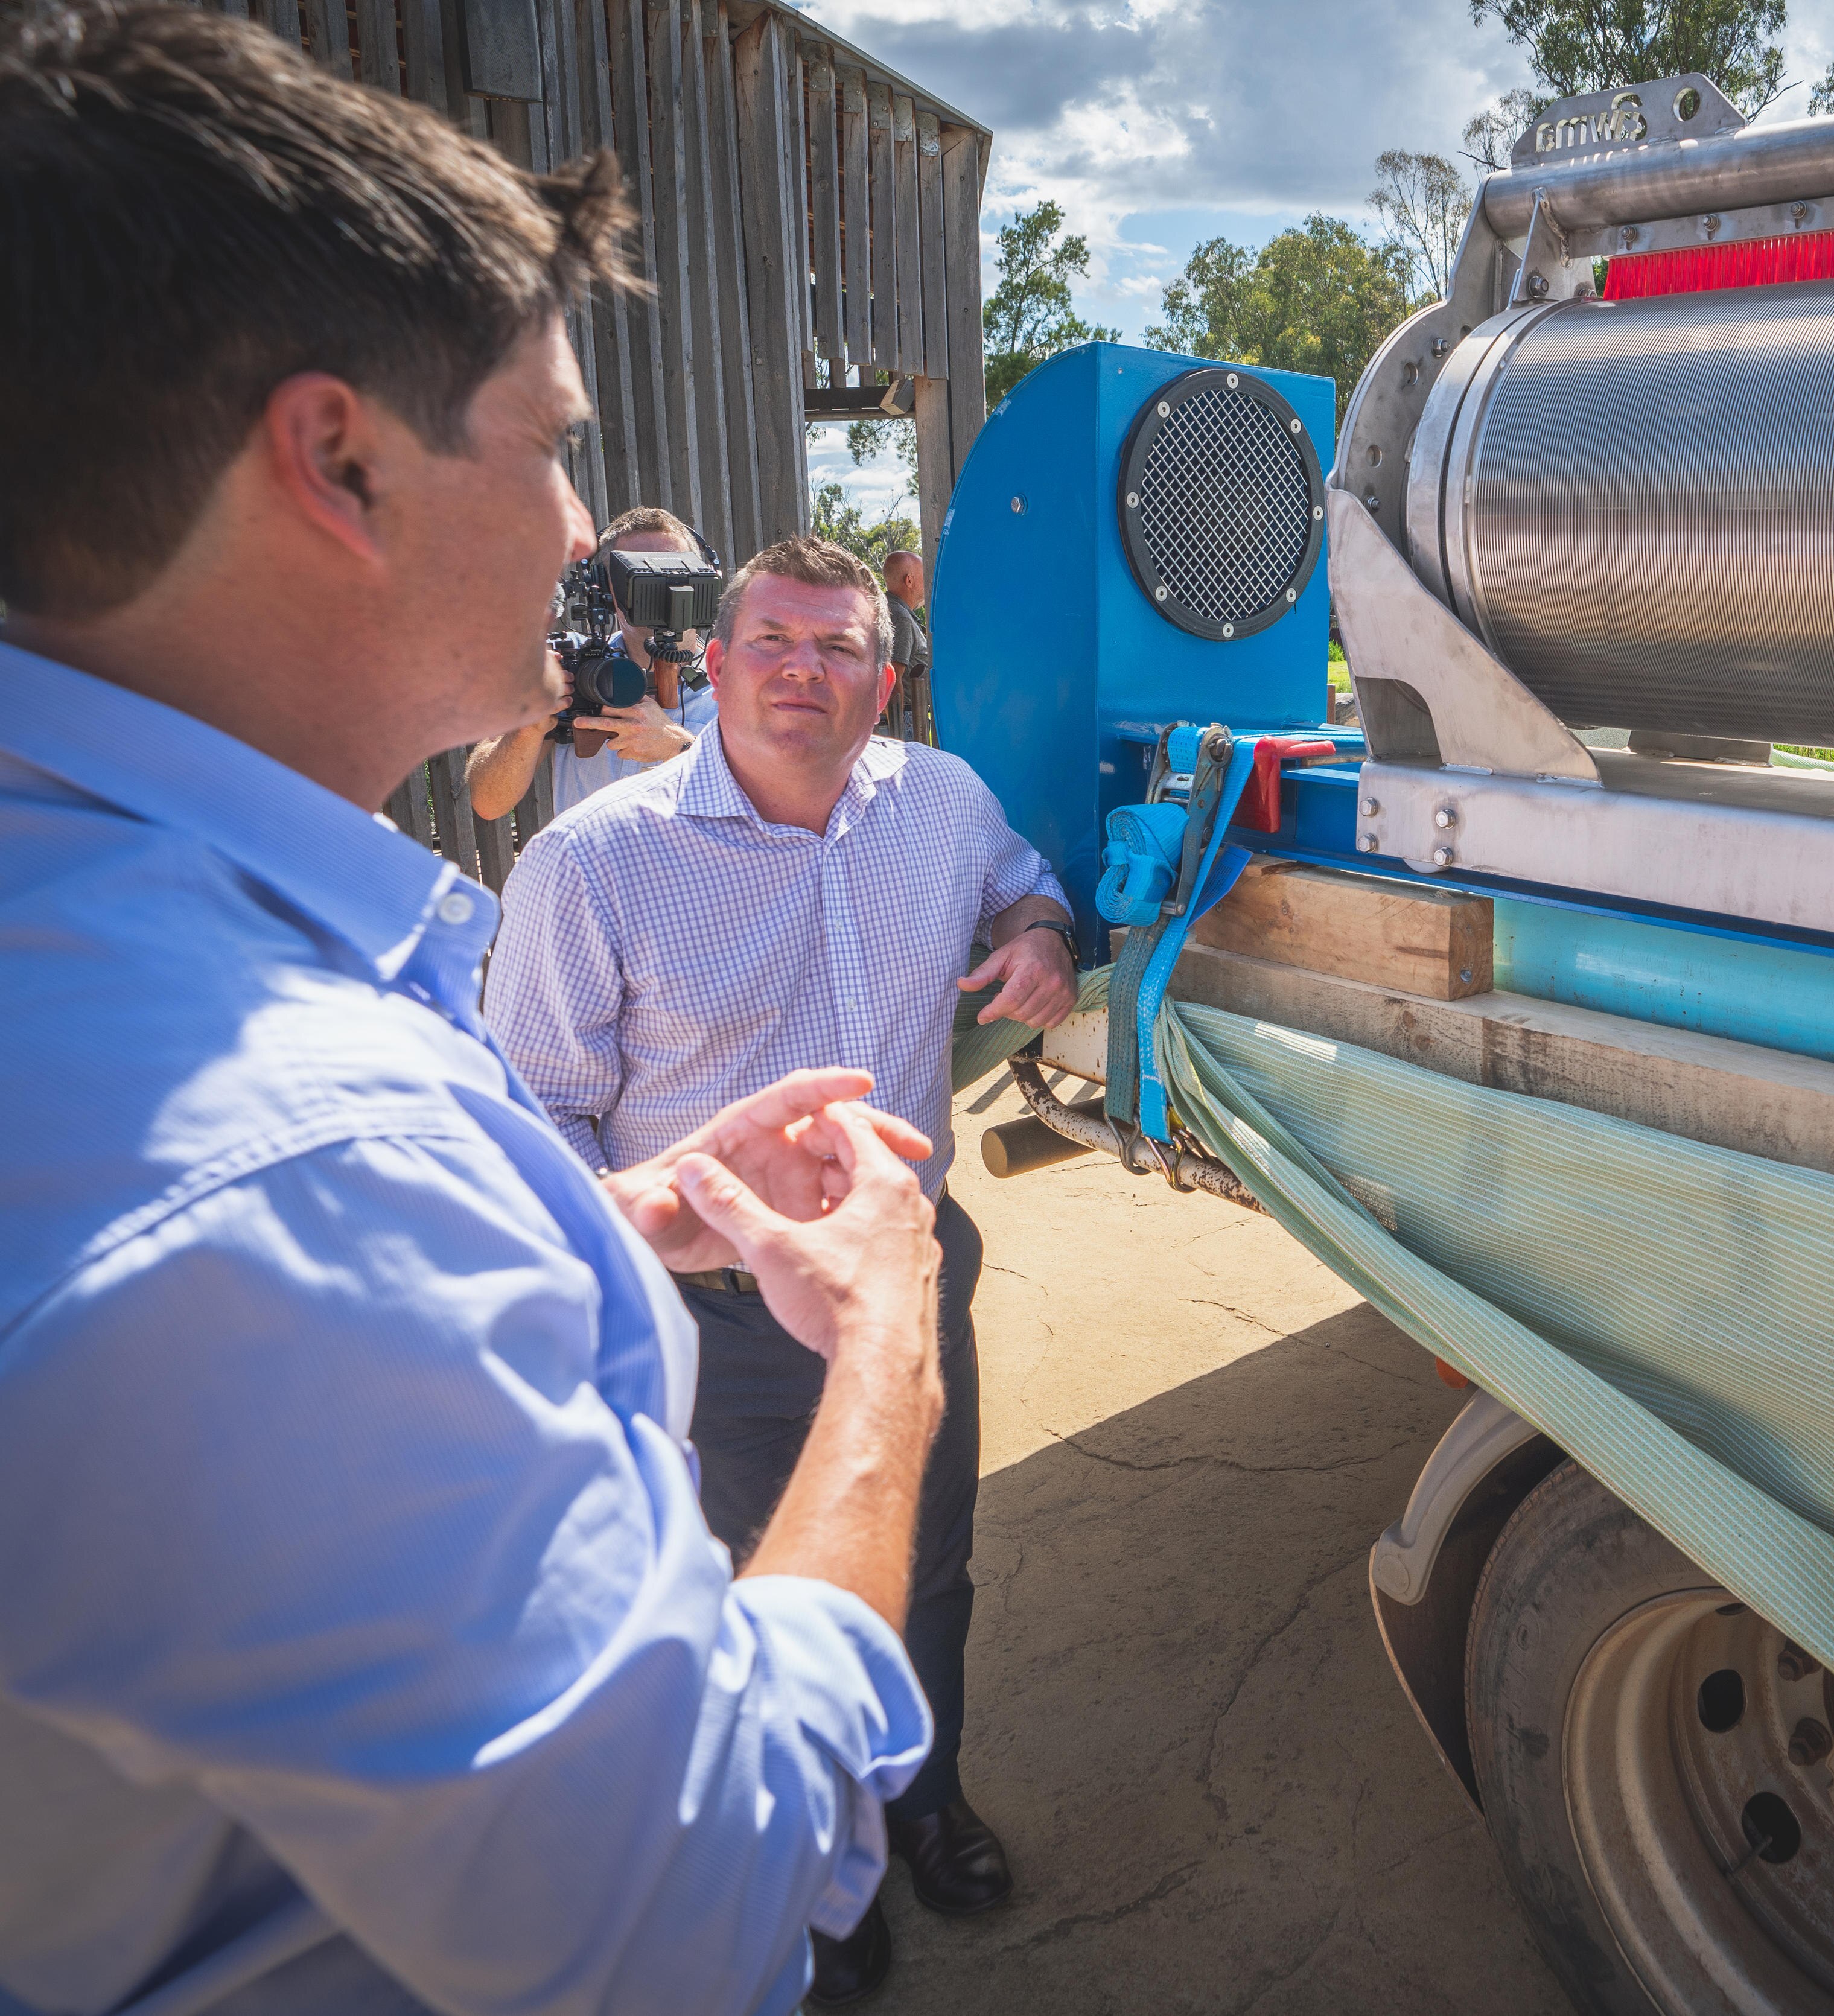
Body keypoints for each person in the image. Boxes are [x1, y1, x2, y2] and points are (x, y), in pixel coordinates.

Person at [0, 7, 960, 2012]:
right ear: (340, 461)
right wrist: (888, 1351)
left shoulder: (115, 959)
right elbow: (697, 1919)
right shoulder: (308, 1177)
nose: (579, 535)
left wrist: (589, 1221)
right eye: (552, 447)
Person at [483, 533, 1079, 2003]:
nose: (808, 670)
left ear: (886, 675)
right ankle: (815, 1858)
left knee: (929, 1563)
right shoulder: (592, 862)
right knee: (757, 1590)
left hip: (908, 1276)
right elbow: (530, 1118)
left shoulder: (940, 802)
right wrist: (671, 1222)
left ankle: (922, 1798)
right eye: (776, 642)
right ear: (718, 661)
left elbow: (1022, 880)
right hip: (719, 1311)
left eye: (842, 647)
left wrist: (1045, 934)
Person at [465, 503, 722, 822]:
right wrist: (529, 728)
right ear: (604, 589)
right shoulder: (573, 668)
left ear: (706, 576)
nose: (663, 584)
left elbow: (784, 804)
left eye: (676, 567)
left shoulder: (740, 682)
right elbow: (489, 803)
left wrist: (680, 749)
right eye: (640, 571)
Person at [881, 545, 931, 739]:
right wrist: (899, 736)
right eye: (923, 576)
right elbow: (893, 677)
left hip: (907, 717)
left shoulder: (894, 611)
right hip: (906, 719)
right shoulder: (899, 617)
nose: (928, 582)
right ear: (910, 580)